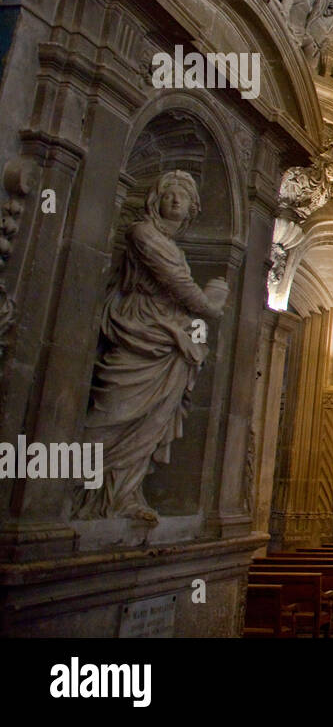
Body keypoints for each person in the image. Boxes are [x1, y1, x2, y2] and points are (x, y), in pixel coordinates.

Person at [75, 170, 228, 523]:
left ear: (192, 208)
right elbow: (178, 283)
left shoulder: (172, 246)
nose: (175, 200)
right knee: (112, 411)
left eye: (183, 196)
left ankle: (123, 494)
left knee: (149, 423)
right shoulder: (142, 234)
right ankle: (75, 487)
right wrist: (210, 305)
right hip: (140, 330)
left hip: (167, 338)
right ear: (154, 199)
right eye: (169, 193)